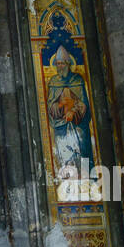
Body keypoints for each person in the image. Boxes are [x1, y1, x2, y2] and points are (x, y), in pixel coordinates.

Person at [48, 45, 93, 177]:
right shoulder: (53, 82)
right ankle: (68, 182)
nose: (59, 67)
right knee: (64, 154)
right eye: (57, 64)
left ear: (68, 64)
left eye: (62, 63)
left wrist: (74, 111)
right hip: (61, 126)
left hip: (78, 124)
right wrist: (60, 106)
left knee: (83, 150)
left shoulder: (77, 80)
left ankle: (87, 179)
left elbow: (83, 104)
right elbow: (51, 106)